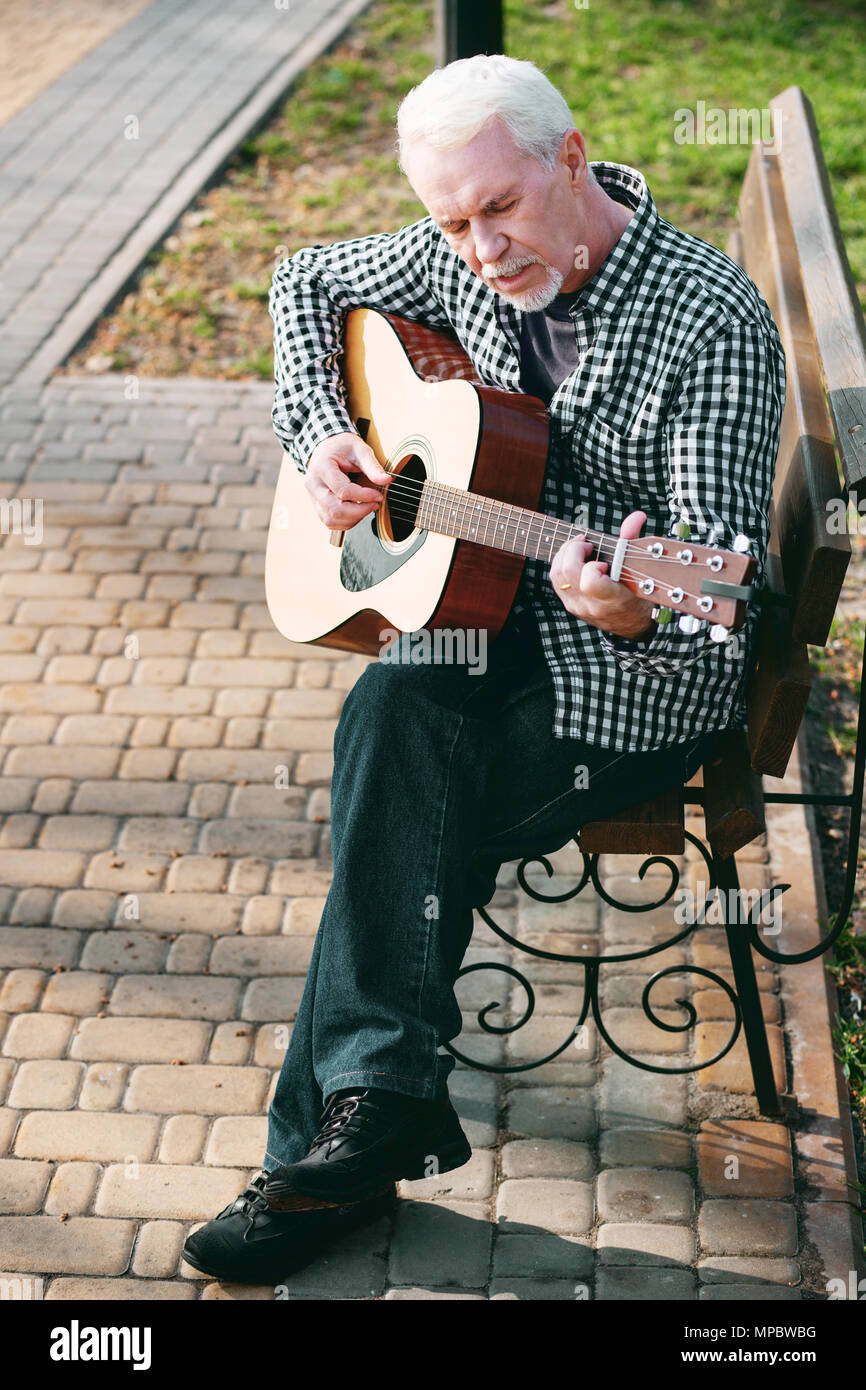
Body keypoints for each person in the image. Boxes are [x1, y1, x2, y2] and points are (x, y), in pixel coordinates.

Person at [183, 54, 785, 1285]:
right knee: (394, 712)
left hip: (631, 680)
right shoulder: (460, 243)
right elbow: (304, 279)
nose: (477, 249)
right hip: (489, 611)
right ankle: (371, 1108)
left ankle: (327, 1156)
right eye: (451, 220)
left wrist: (627, 606)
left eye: (497, 211)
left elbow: (708, 587)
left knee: (394, 793)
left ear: (570, 159)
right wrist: (321, 439)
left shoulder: (704, 319)